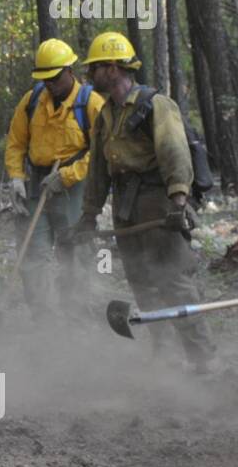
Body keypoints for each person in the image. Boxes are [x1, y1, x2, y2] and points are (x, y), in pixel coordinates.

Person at [67, 31, 217, 373]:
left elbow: (174, 153)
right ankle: (164, 355)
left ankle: (204, 359)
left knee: (174, 280)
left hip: (158, 202)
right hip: (126, 205)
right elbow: (98, 173)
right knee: (141, 281)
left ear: (114, 68)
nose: (90, 76)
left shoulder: (155, 105)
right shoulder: (106, 114)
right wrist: (88, 216)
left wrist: (179, 203)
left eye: (96, 69)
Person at [2, 38, 103, 316]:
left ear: (70, 71)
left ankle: (76, 318)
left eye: (55, 78)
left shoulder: (91, 104)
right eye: (44, 79)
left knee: (75, 255)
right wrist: (16, 177)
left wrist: (69, 175)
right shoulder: (31, 100)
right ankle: (43, 322)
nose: (50, 84)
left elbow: (103, 152)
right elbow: (16, 142)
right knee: (32, 253)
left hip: (74, 189)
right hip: (36, 184)